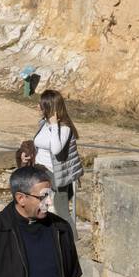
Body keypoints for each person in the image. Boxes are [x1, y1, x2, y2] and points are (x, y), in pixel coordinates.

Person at [33, 89, 82, 230]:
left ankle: (71, 243)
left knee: (61, 213)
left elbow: (56, 149)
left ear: (49, 107)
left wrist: (55, 125)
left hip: (55, 176)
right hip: (40, 173)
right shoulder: (43, 123)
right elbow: (38, 144)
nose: (38, 107)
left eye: (41, 104)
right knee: (41, 209)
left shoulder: (64, 128)